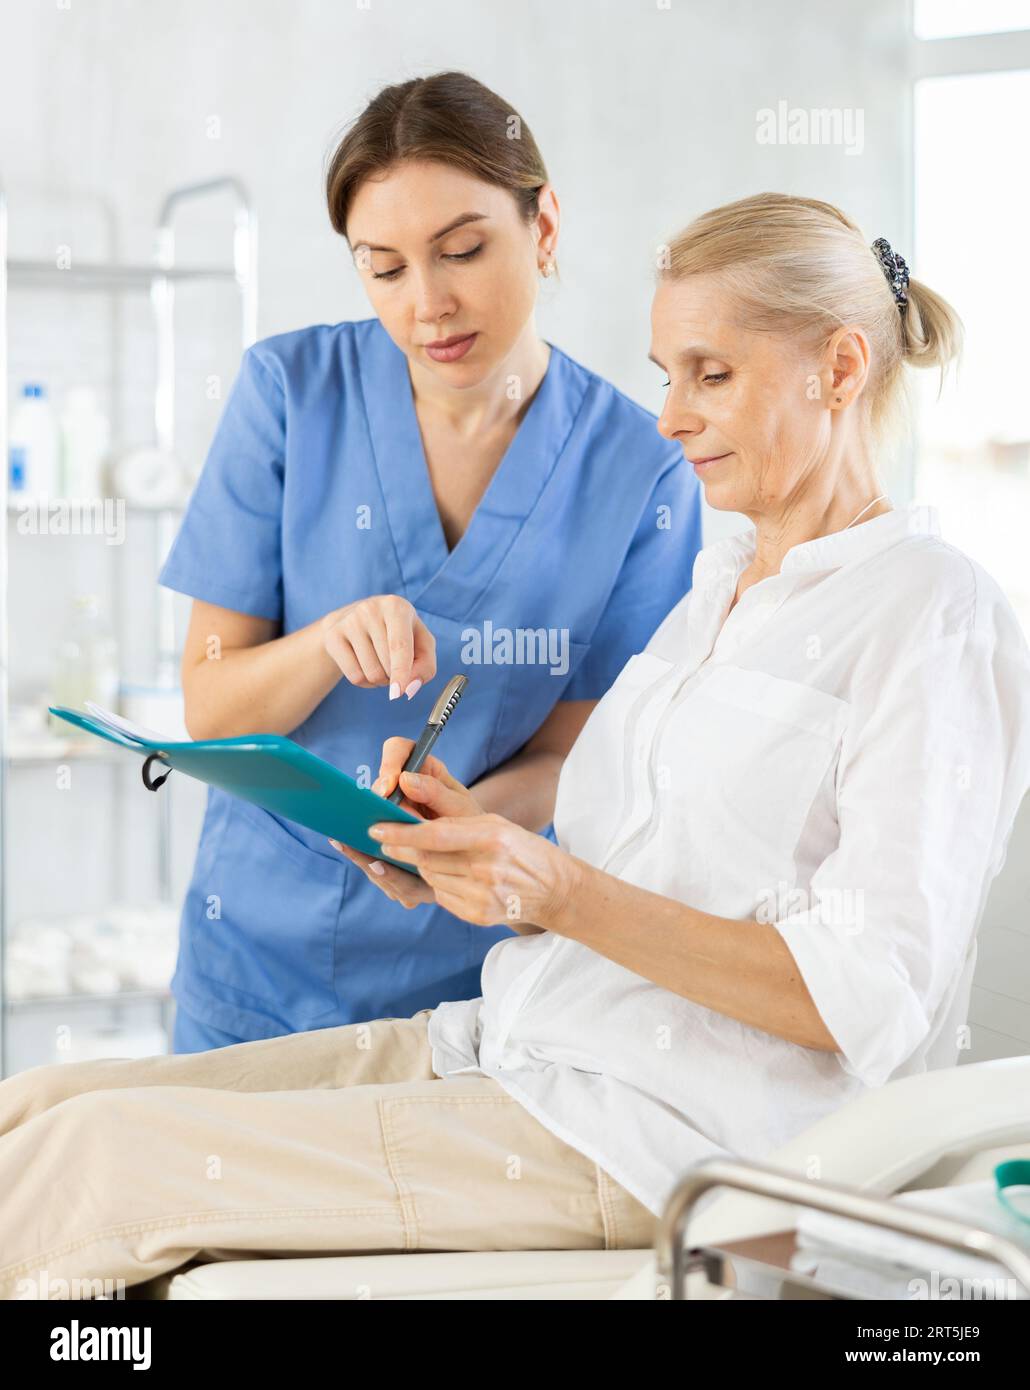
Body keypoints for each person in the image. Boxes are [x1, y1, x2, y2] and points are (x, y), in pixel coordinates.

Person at [3, 193, 1027, 1299]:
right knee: (43, 1106)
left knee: (92, 1162)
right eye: (664, 373)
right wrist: (470, 847)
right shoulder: (721, 587)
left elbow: (869, 994)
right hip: (518, 1044)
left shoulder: (929, 612)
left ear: (838, 365)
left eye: (710, 374)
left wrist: (555, 889)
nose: (670, 416)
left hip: (666, 1137)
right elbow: (635, 865)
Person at [157, 71, 701, 1051]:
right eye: (385, 267)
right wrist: (325, 641)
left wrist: (451, 833)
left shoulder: (642, 469)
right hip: (249, 965)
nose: (428, 306)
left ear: (543, 228)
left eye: (462, 251)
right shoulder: (288, 392)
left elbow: (579, 757)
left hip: (470, 977)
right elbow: (210, 709)